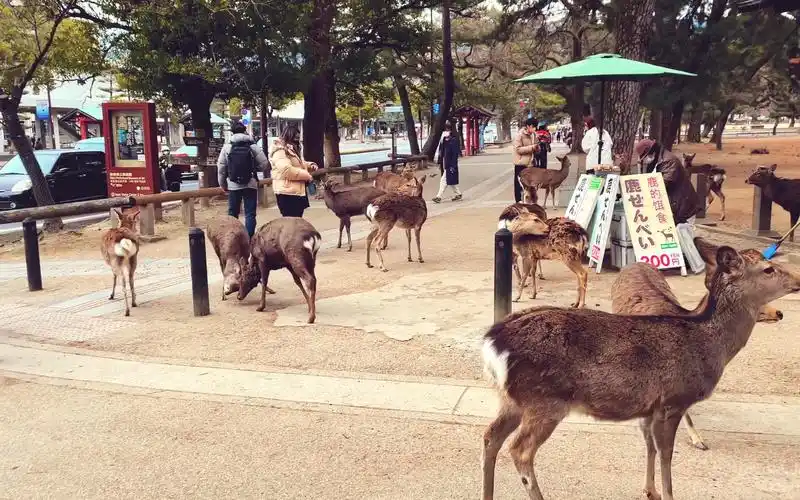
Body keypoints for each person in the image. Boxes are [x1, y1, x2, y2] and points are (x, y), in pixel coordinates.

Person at [217, 121, 269, 238]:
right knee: (250, 214)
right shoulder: (253, 146)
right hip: (250, 183)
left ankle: (233, 238)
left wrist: (223, 185)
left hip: (233, 184)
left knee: (232, 213)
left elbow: (221, 168)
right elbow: (264, 164)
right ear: (245, 131)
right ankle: (249, 238)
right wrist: (253, 168)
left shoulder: (227, 147)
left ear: (232, 132)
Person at [270, 125, 317, 218]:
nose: (297, 141)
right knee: (291, 222)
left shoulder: (292, 149)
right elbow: (286, 170)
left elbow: (298, 163)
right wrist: (307, 175)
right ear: (289, 137)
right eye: (295, 138)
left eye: (298, 138)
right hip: (287, 192)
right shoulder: (279, 150)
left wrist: (309, 165)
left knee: (297, 220)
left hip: (296, 190)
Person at [512, 117, 540, 203]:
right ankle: (519, 201)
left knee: (531, 185)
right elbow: (518, 149)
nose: (534, 129)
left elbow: (536, 146)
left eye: (535, 127)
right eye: (533, 126)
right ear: (528, 126)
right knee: (519, 185)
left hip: (531, 163)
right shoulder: (519, 135)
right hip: (521, 163)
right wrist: (532, 148)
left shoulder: (534, 135)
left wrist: (537, 148)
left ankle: (530, 201)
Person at [433, 122, 462, 203]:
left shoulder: (453, 141)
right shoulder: (444, 140)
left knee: (444, 180)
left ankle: (438, 196)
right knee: (450, 180)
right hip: (446, 164)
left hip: (450, 165)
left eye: (447, 129)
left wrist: (453, 165)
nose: (446, 131)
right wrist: (440, 163)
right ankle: (458, 193)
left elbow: (455, 154)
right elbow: (441, 152)